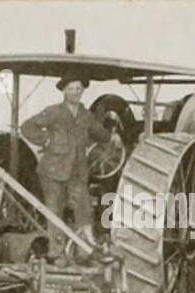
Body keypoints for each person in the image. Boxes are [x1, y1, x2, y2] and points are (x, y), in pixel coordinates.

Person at [20, 73, 122, 257]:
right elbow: (27, 127)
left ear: (82, 91)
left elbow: (100, 133)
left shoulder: (86, 115)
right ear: (64, 91)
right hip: (52, 171)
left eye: (78, 89)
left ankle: (84, 252)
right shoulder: (54, 112)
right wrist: (46, 140)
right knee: (54, 212)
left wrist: (112, 137)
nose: (75, 92)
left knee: (84, 210)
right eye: (71, 89)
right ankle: (57, 254)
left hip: (78, 172)